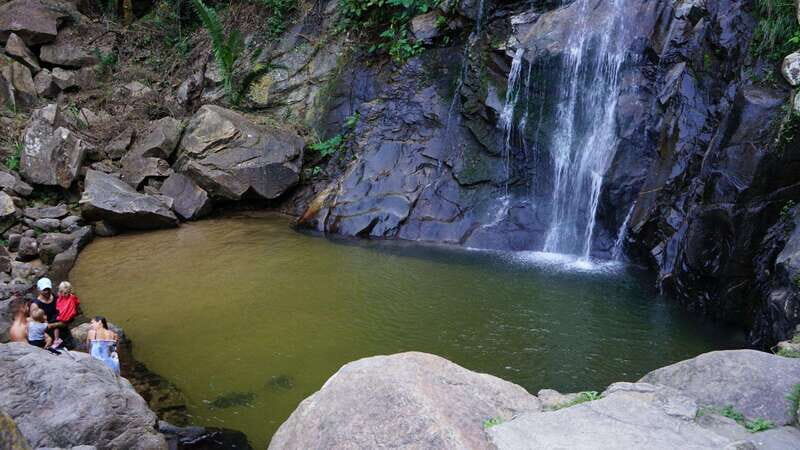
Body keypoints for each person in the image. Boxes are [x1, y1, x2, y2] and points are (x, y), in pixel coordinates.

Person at [52, 281, 80, 349]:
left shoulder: (72, 298)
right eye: (63, 293)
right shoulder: (60, 297)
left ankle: (57, 340)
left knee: (57, 325)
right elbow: (59, 305)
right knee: (56, 325)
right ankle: (57, 340)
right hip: (61, 315)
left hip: (67, 316)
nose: (65, 294)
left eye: (67, 293)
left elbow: (76, 303)